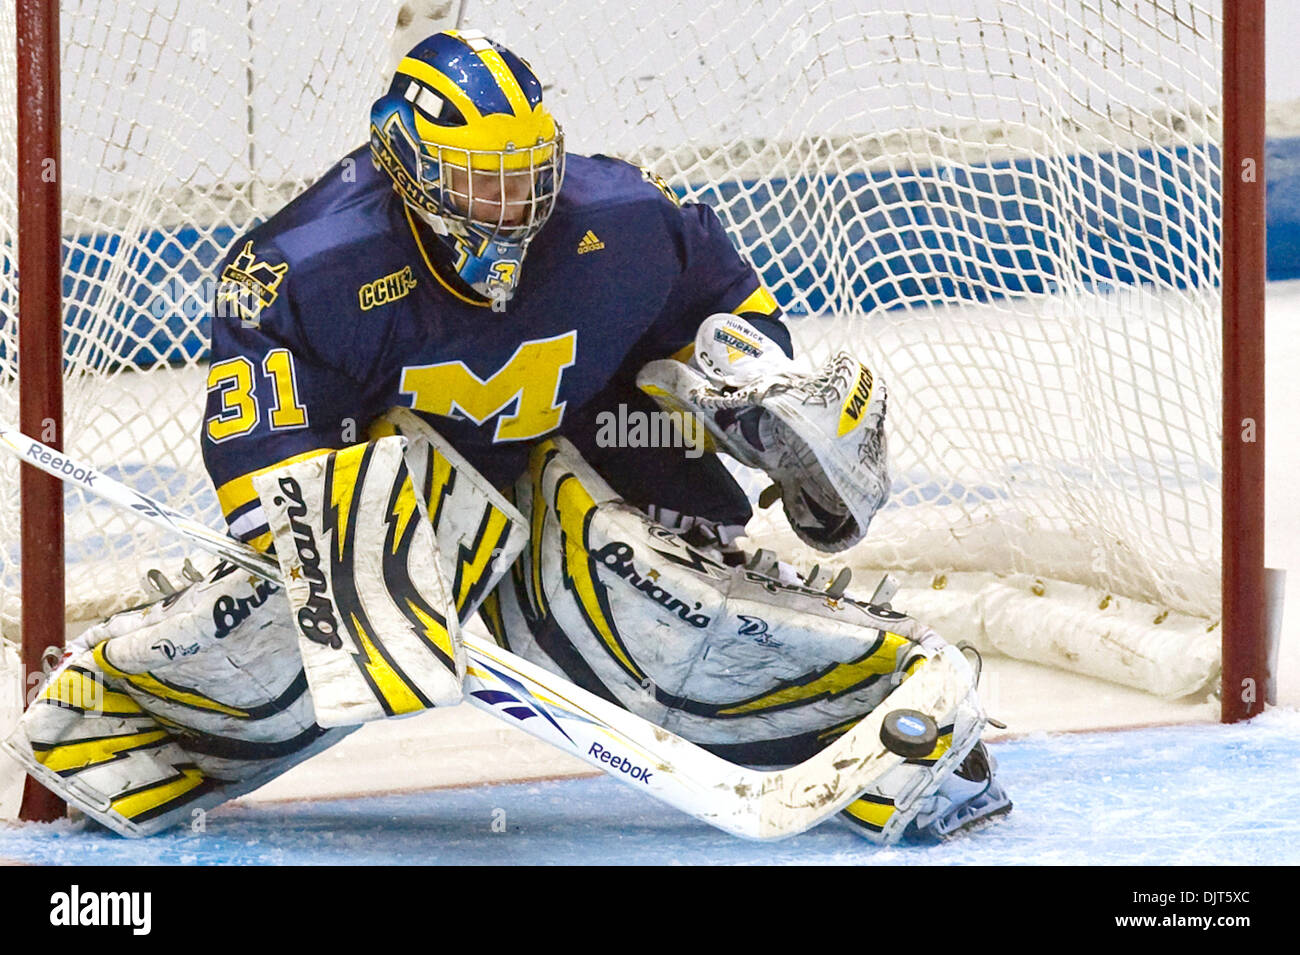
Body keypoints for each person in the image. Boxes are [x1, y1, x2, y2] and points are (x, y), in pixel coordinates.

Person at [3, 29, 1007, 842]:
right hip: (400, 510)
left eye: (524, 172)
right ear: (404, 164)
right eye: (477, 178)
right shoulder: (304, 268)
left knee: (652, 614)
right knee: (321, 619)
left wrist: (772, 410)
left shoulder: (624, 220)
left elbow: (726, 340)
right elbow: (271, 478)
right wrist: (347, 563)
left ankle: (894, 715)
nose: (509, 203)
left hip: (576, 493)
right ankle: (118, 717)